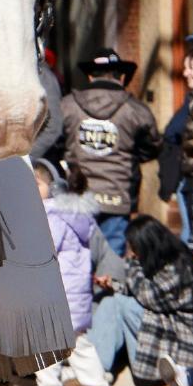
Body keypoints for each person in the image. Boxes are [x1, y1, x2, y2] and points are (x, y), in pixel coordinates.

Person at [20, 159, 114, 386]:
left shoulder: (50, 216)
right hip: (73, 293)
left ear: (54, 189)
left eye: (36, 184)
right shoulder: (76, 216)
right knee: (79, 345)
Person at [56, 48, 160, 256]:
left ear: (90, 76)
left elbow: (54, 142)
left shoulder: (66, 106)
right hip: (117, 197)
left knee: (75, 259)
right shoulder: (136, 110)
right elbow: (152, 146)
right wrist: (128, 155)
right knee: (110, 263)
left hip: (77, 197)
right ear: (121, 78)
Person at [90, 213, 193, 386]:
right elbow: (144, 292)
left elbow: (148, 296)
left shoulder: (178, 265)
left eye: (134, 247)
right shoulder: (163, 258)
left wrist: (131, 265)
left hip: (183, 336)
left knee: (120, 304)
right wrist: (113, 284)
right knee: (112, 300)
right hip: (167, 324)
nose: (132, 252)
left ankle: (96, 368)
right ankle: (95, 367)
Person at [158, 33, 193, 246]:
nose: (185, 73)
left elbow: (175, 132)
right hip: (188, 179)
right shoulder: (191, 101)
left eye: (191, 67)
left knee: (191, 242)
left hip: (192, 181)